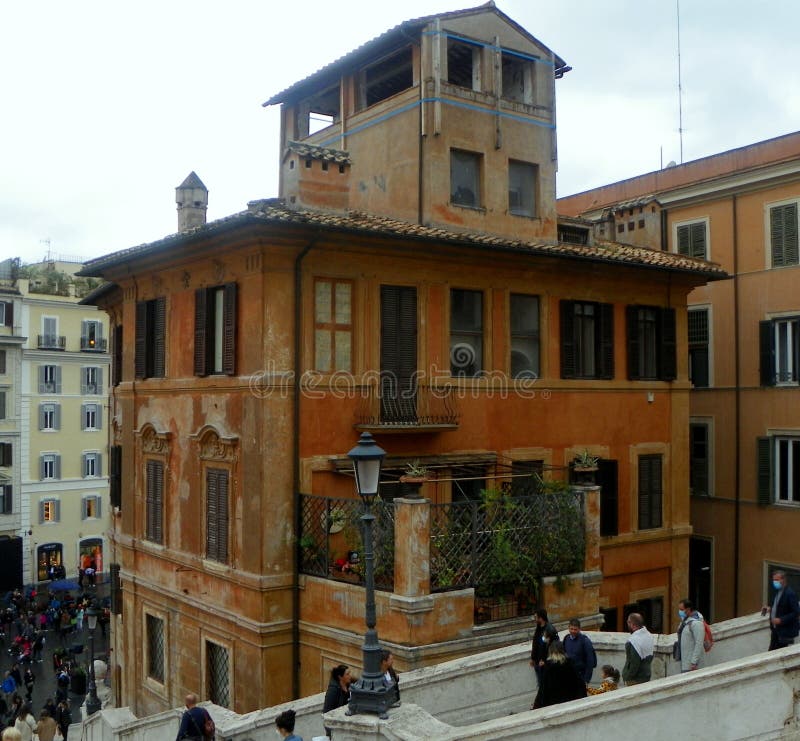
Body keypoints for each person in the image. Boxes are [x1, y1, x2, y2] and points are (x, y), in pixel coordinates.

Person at [531, 639, 587, 709]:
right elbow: (580, 683)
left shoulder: (549, 667)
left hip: (554, 704)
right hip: (571, 702)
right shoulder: (569, 663)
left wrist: (536, 706)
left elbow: (543, 688)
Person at [764, 570, 800, 651]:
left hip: (784, 632)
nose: (774, 582)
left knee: (776, 654)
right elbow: (778, 606)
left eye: (776, 580)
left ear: (783, 580)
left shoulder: (790, 594)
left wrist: (781, 620)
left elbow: (796, 612)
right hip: (776, 630)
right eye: (773, 580)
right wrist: (769, 608)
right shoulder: (778, 592)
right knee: (771, 653)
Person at [622, 612, 654, 685]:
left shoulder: (634, 641)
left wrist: (627, 677)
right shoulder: (648, 635)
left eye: (628, 623)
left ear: (632, 624)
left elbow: (634, 663)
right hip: (646, 675)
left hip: (635, 679)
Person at [563, 618, 597, 685]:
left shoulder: (585, 641)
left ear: (579, 629)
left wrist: (586, 679)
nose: (573, 631)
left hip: (581, 675)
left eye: (575, 629)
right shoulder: (566, 638)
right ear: (568, 628)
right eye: (571, 629)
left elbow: (590, 661)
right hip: (569, 674)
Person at [529, 609, 558, 686]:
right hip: (537, 663)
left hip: (545, 664)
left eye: (536, 617)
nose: (535, 619)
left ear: (541, 618)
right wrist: (533, 658)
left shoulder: (550, 630)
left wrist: (545, 661)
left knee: (547, 684)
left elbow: (554, 648)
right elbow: (535, 644)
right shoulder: (538, 628)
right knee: (540, 684)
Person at [674, 598, 705, 672]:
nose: (680, 612)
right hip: (685, 664)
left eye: (681, 609)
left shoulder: (696, 623)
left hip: (692, 665)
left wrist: (694, 662)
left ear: (688, 609)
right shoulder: (684, 623)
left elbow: (699, 643)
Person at [322, 664, 352, 738]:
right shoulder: (333, 690)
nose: (350, 676)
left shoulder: (348, 685)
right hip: (334, 726)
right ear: (340, 677)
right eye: (347, 674)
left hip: (344, 722)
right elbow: (327, 711)